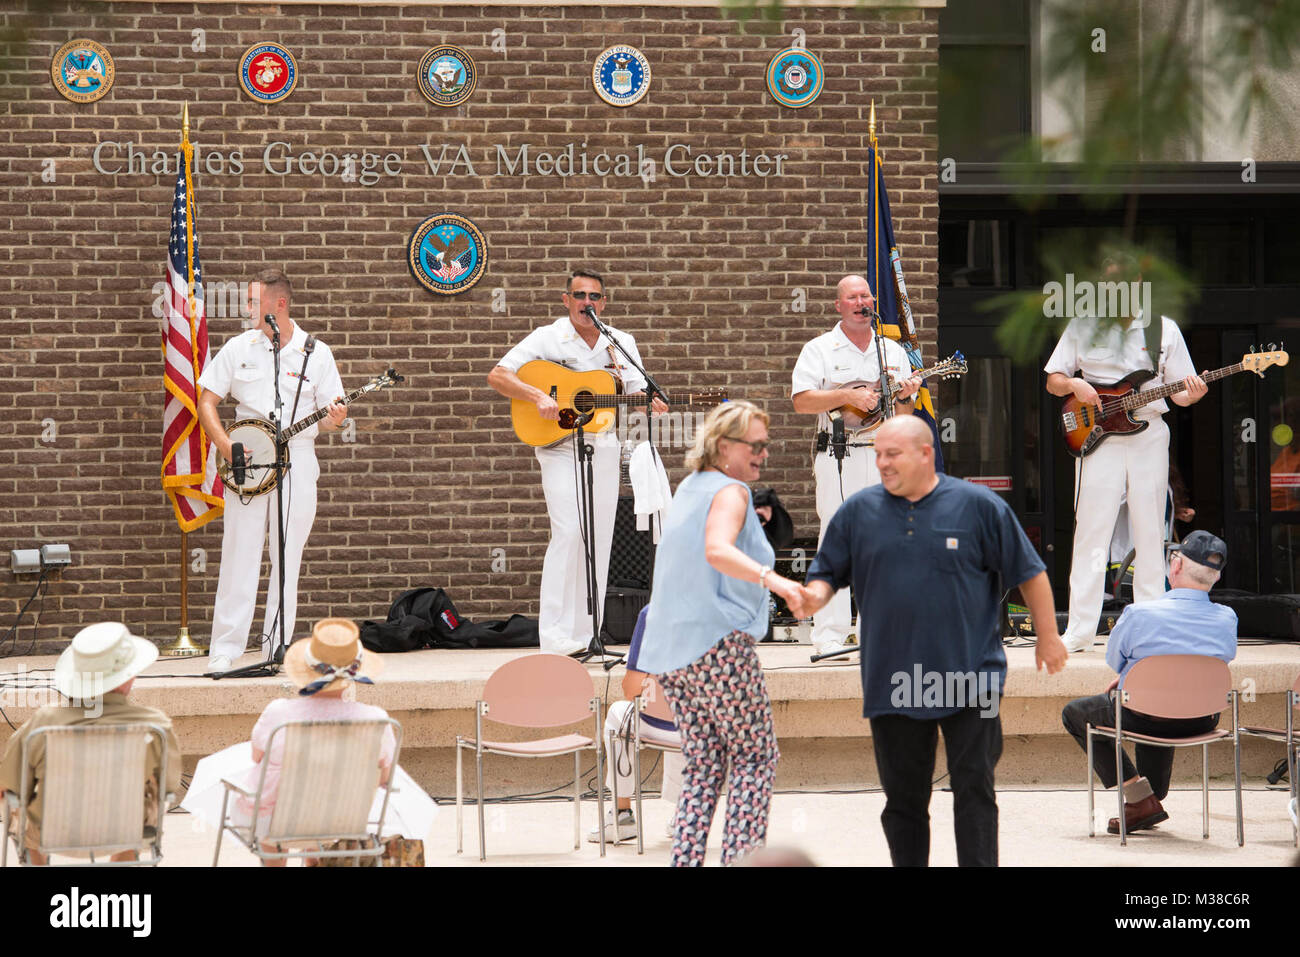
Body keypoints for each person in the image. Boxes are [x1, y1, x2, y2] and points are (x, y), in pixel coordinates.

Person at [798, 416, 1067, 867]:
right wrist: (813, 597)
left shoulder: (978, 506)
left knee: (974, 789)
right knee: (903, 801)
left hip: (971, 676)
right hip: (893, 679)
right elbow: (826, 573)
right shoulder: (858, 512)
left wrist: (1048, 636)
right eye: (878, 454)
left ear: (926, 454)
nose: (881, 463)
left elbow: (1030, 572)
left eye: (892, 454)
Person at [637, 401, 806, 866]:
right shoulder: (731, 491)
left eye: (765, 445)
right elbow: (716, 548)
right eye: (755, 445)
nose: (763, 454)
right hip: (717, 645)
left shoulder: (691, 486)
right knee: (755, 757)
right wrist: (777, 581)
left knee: (704, 764)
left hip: (671, 650)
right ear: (723, 445)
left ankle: (686, 861)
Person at [487, 269, 667, 656]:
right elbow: (499, 375)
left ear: (604, 303)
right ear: (566, 300)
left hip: (602, 445)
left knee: (598, 538)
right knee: (568, 532)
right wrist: (537, 396)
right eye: (580, 295)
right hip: (557, 446)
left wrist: (651, 402)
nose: (588, 302)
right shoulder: (547, 336)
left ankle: (588, 633)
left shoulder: (621, 342)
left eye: (595, 296)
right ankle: (553, 637)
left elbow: (637, 392)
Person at [1045, 255, 1207, 653]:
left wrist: (1194, 393)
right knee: (1091, 530)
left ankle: (1150, 625)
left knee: (1150, 529)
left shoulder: (1162, 328)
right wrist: (1076, 388)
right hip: (1097, 436)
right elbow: (1053, 380)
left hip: (1148, 433)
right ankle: (1080, 630)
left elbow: (1181, 391)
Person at [181, 618, 436, 864]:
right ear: (353, 674)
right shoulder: (376, 721)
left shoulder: (280, 714)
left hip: (278, 821)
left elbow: (257, 757)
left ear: (308, 670)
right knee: (326, 803)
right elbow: (384, 778)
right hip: (348, 819)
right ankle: (314, 856)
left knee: (258, 790)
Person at [197, 269, 348, 673]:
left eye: (252, 302)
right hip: (247, 457)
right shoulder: (237, 347)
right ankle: (225, 649)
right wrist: (226, 446)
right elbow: (206, 401)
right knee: (239, 553)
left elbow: (333, 418)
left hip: (297, 455)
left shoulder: (316, 352)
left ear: (278, 305)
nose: (245, 309)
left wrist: (336, 417)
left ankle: (275, 646)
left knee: (287, 555)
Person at [1061, 530, 1237, 834]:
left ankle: (1140, 799)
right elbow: (1218, 662)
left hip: (1143, 714)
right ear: (1216, 577)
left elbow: (1114, 661)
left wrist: (1139, 678)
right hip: (1202, 719)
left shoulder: (1140, 614)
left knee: (1077, 713)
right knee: (1161, 700)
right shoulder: (1227, 618)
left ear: (1176, 566)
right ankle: (1150, 797)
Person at [792, 274, 921, 656]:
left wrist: (908, 395)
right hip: (839, 454)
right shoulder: (820, 348)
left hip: (882, 456)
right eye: (853, 297)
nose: (861, 301)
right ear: (839, 305)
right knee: (836, 539)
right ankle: (829, 636)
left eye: (866, 295)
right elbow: (801, 401)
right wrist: (846, 394)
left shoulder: (891, 351)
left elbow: (901, 413)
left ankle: (875, 633)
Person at [0, 622, 182, 864]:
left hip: (48, 833)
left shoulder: (44, 722)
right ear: (125, 679)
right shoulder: (155, 725)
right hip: (128, 831)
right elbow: (169, 785)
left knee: (10, 796)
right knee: (151, 797)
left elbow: (10, 783)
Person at [588, 605, 685, 843]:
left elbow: (631, 691)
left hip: (654, 723)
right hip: (703, 727)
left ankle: (621, 816)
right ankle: (685, 813)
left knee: (616, 714)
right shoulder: (724, 612)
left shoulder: (653, 613)